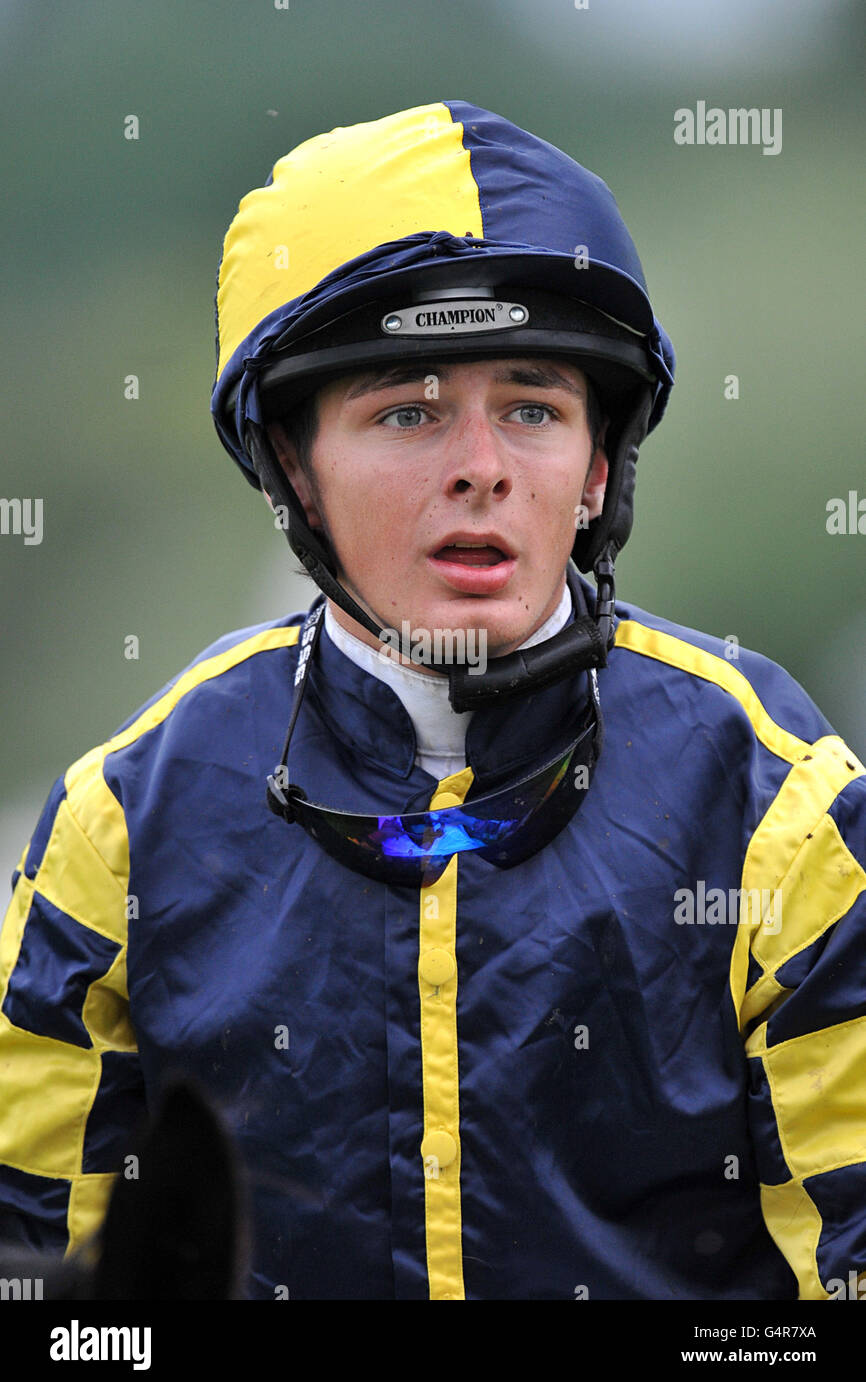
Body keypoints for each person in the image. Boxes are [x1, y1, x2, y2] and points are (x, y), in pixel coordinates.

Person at [1, 99, 864, 1302]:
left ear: (597, 466)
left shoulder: (785, 811)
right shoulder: (115, 834)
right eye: (406, 412)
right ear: (290, 465)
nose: (480, 465)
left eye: (532, 408)